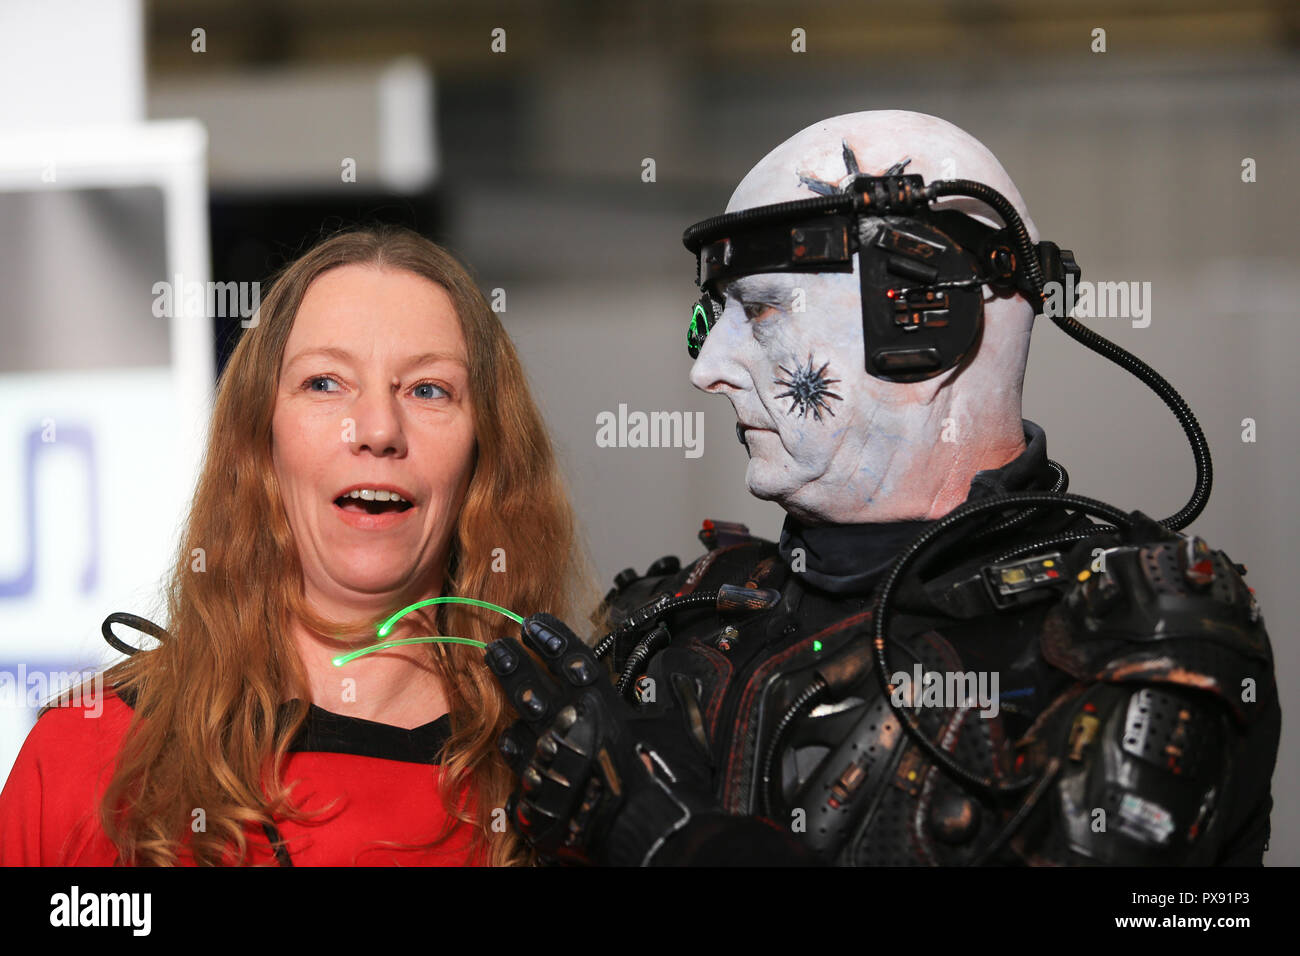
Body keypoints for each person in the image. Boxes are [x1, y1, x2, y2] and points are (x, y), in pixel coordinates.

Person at [483, 111, 1281, 866]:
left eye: (758, 313)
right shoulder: (675, 623)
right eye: (708, 321)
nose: (706, 369)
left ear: (922, 314)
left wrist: (661, 839)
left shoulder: (1142, 635)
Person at [0, 225, 594, 866]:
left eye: (428, 390)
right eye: (325, 383)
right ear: (261, 443)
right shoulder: (89, 757)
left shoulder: (577, 781)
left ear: (485, 455)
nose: (377, 428)